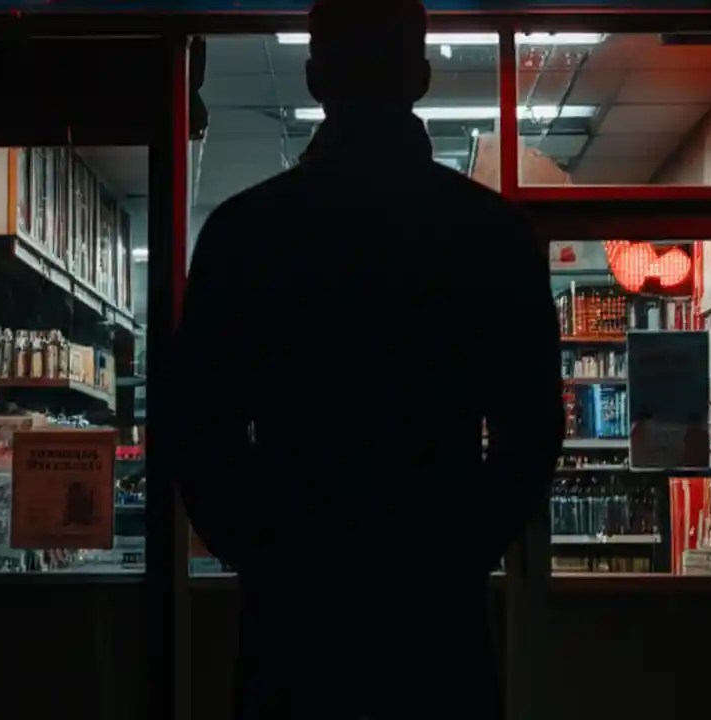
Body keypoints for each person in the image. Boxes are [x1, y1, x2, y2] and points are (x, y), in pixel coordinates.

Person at [160, 1, 563, 717]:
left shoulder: (244, 235)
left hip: (295, 624)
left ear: (316, 77)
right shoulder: (492, 237)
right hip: (436, 627)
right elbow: (531, 439)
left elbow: (197, 433)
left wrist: (269, 549)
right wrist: (455, 550)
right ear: (422, 75)